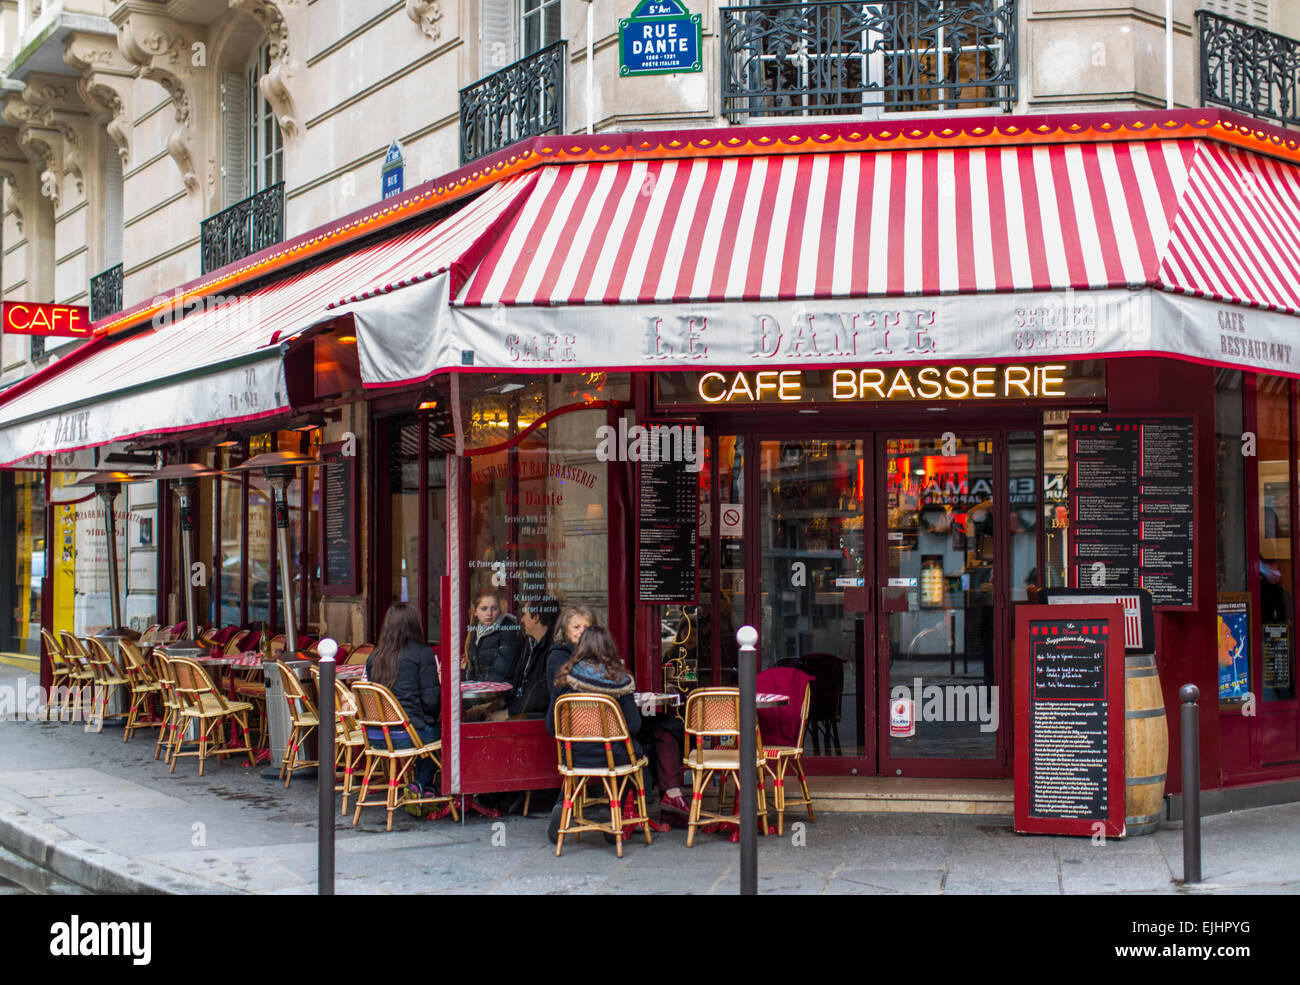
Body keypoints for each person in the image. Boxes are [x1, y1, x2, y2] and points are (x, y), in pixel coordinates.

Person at [546, 625, 670, 835]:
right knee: (637, 752)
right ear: (609, 649)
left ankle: (565, 807)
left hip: (574, 754)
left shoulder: (565, 680)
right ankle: (617, 814)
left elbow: (552, 724)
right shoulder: (620, 681)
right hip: (614, 755)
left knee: (622, 752)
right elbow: (634, 726)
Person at [365, 602, 442, 797]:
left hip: (376, 736)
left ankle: (426, 789)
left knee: (424, 729)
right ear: (415, 625)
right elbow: (432, 701)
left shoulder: (374, 657)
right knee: (446, 734)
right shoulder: (423, 654)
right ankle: (420, 784)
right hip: (406, 736)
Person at [507, 596, 559, 718]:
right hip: (517, 709)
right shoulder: (529, 645)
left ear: (536, 618)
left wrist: (508, 713)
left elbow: (539, 698)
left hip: (531, 717)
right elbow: (517, 687)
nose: (522, 620)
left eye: (525, 615)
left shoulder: (552, 651)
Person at [463, 591, 523, 682]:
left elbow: (502, 672)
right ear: (475, 612)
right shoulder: (476, 632)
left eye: (494, 608)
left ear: (499, 610)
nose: (489, 613)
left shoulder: (508, 631)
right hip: (482, 690)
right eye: (484, 609)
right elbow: (472, 670)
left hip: (498, 692)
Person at [546, 603, 596, 702]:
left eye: (586, 628)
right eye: (576, 627)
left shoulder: (597, 654)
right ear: (566, 631)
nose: (582, 631)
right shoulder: (558, 656)